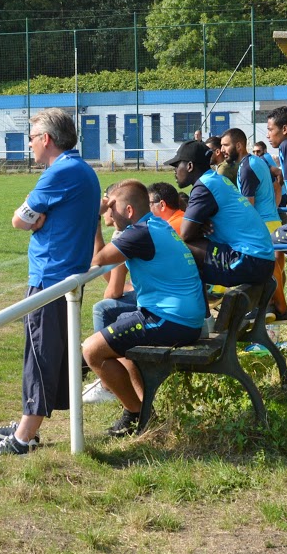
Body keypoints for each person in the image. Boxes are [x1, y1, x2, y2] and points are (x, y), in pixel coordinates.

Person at [0, 107, 100, 457]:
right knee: (44, 353)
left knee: (40, 355)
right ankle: (25, 425)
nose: (29, 145)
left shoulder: (59, 173)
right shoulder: (81, 169)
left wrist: (32, 221)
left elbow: (18, 219)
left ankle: (24, 437)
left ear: (46, 139)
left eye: (31, 139)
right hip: (63, 275)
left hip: (51, 276)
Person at [83, 180, 208, 437]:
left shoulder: (139, 233)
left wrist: (94, 219)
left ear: (128, 211)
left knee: (92, 350)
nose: (109, 213)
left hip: (171, 319)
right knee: (120, 337)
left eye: (111, 208)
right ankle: (145, 413)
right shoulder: (154, 224)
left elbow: (97, 260)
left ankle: (136, 414)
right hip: (182, 316)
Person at [166, 139, 275, 291]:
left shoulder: (203, 187)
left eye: (177, 166)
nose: (175, 172)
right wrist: (199, 226)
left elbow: (185, 234)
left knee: (178, 247)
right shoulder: (217, 180)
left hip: (250, 260)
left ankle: (185, 309)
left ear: (190, 166)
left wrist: (196, 227)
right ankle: (201, 311)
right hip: (261, 260)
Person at [224, 127, 282, 233]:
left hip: (261, 228)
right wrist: (272, 210)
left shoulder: (246, 168)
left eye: (226, 145)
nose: (223, 149)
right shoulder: (257, 161)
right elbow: (277, 187)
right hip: (273, 223)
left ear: (238, 146)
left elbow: (248, 207)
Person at [265, 106, 287, 320]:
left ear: (284, 129)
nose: (268, 135)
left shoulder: (286, 146)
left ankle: (279, 304)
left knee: (269, 247)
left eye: (270, 129)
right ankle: (278, 300)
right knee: (275, 245)